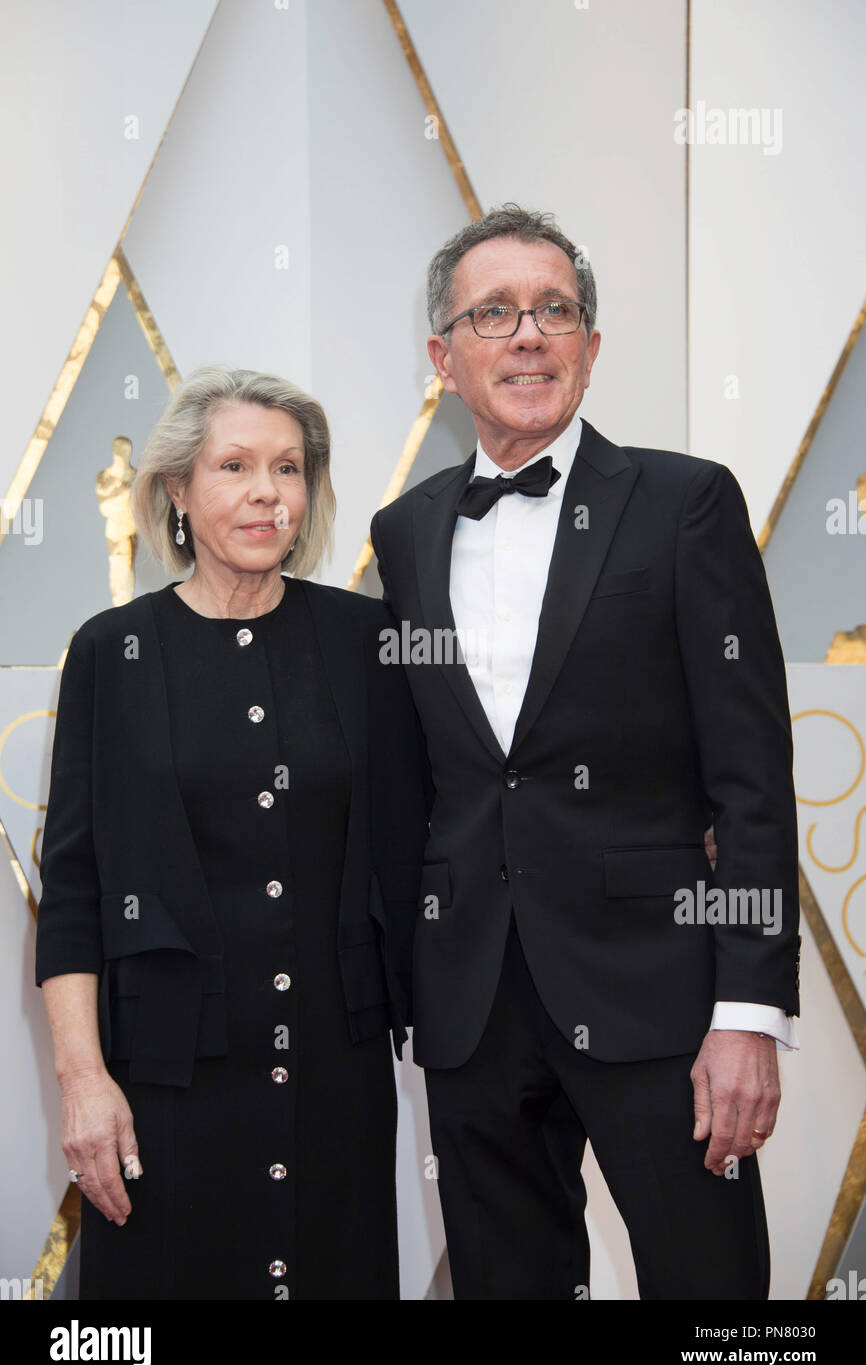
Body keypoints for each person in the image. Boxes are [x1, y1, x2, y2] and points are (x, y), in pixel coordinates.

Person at [370, 205, 800, 1300]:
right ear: (442, 357)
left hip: (661, 994)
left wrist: (746, 1011)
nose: (527, 335)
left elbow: (749, 778)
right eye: (494, 313)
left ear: (590, 348)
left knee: (713, 1297)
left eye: (554, 311)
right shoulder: (407, 531)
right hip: (471, 1004)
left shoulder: (682, 503)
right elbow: (420, 779)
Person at [36, 366, 427, 1300]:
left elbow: (427, 833)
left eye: (289, 469)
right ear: (177, 489)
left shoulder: (367, 640)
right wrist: (84, 1082)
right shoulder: (113, 651)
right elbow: (77, 887)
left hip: (336, 1067)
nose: (267, 492)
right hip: (168, 1078)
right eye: (236, 466)